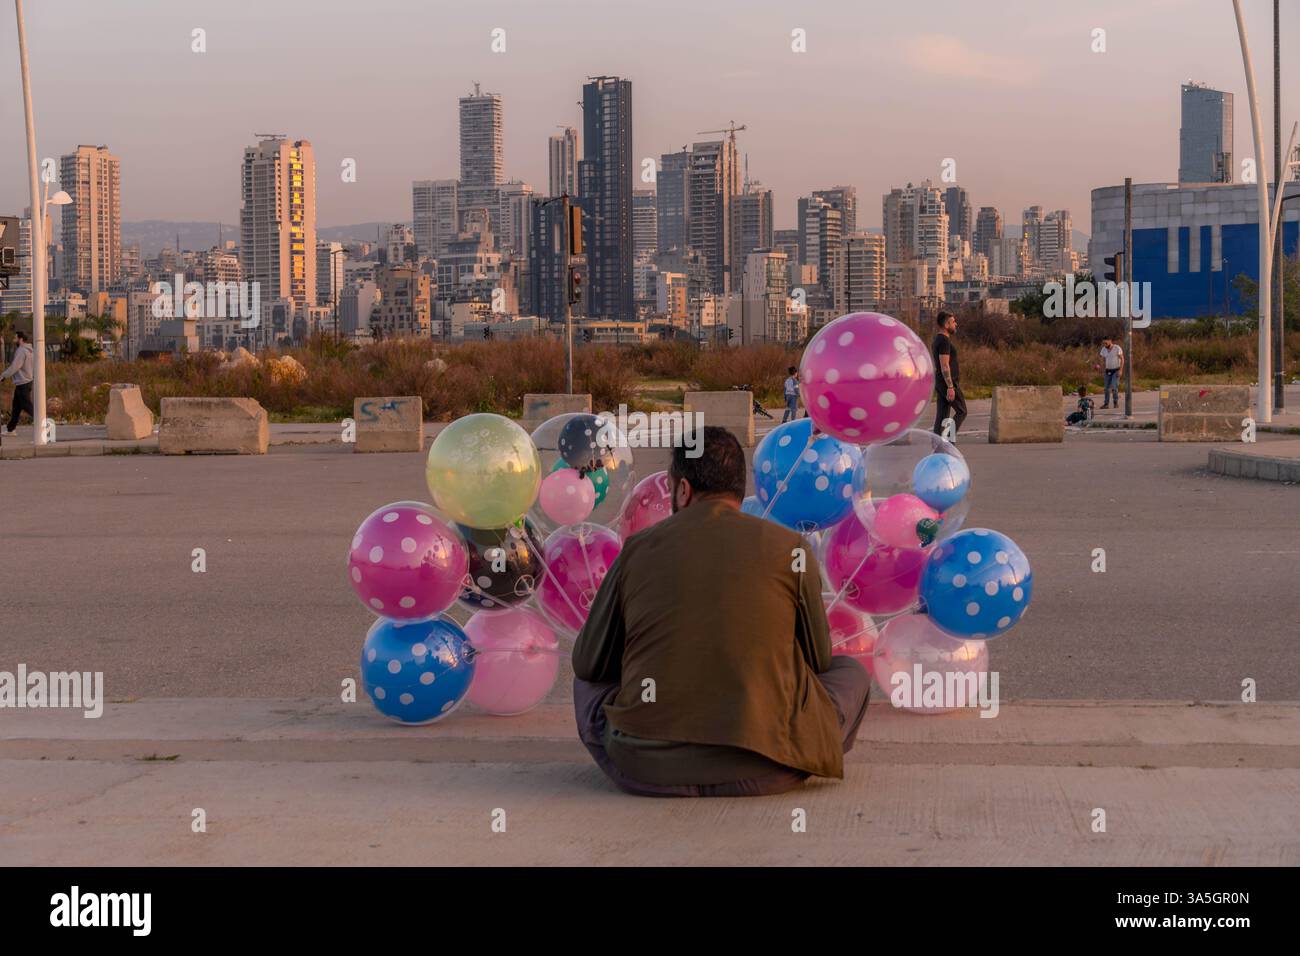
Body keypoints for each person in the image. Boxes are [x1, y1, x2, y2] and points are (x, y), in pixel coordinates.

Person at [572, 425, 871, 797]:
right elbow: (819, 660)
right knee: (851, 673)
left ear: (682, 489)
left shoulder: (637, 549)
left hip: (645, 766)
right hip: (771, 766)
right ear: (741, 492)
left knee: (587, 685)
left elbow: (587, 666)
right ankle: (783, 743)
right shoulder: (791, 547)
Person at [931, 310, 966, 436]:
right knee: (962, 411)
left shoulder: (938, 340)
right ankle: (948, 440)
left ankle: (938, 446)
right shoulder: (944, 341)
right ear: (946, 325)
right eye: (953, 322)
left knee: (942, 415)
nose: (956, 324)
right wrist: (950, 386)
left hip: (941, 382)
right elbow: (944, 365)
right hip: (947, 383)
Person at [2, 330, 35, 434]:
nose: (14, 339)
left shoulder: (21, 351)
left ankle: (45, 423)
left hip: (23, 383)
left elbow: (15, 366)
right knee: (16, 408)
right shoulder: (30, 350)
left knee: (27, 406)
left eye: (15, 338)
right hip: (26, 381)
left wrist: (3, 376)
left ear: (20, 339)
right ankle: (11, 430)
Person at [1099, 336, 1124, 409]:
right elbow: (1102, 359)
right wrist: (1102, 368)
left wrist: (1121, 370)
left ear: (1110, 341)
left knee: (1114, 387)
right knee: (1106, 388)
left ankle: (1115, 402)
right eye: (1104, 343)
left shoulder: (1117, 348)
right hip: (1107, 371)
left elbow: (1122, 359)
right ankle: (1106, 404)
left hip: (1116, 370)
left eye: (1106, 343)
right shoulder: (1104, 349)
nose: (1105, 345)